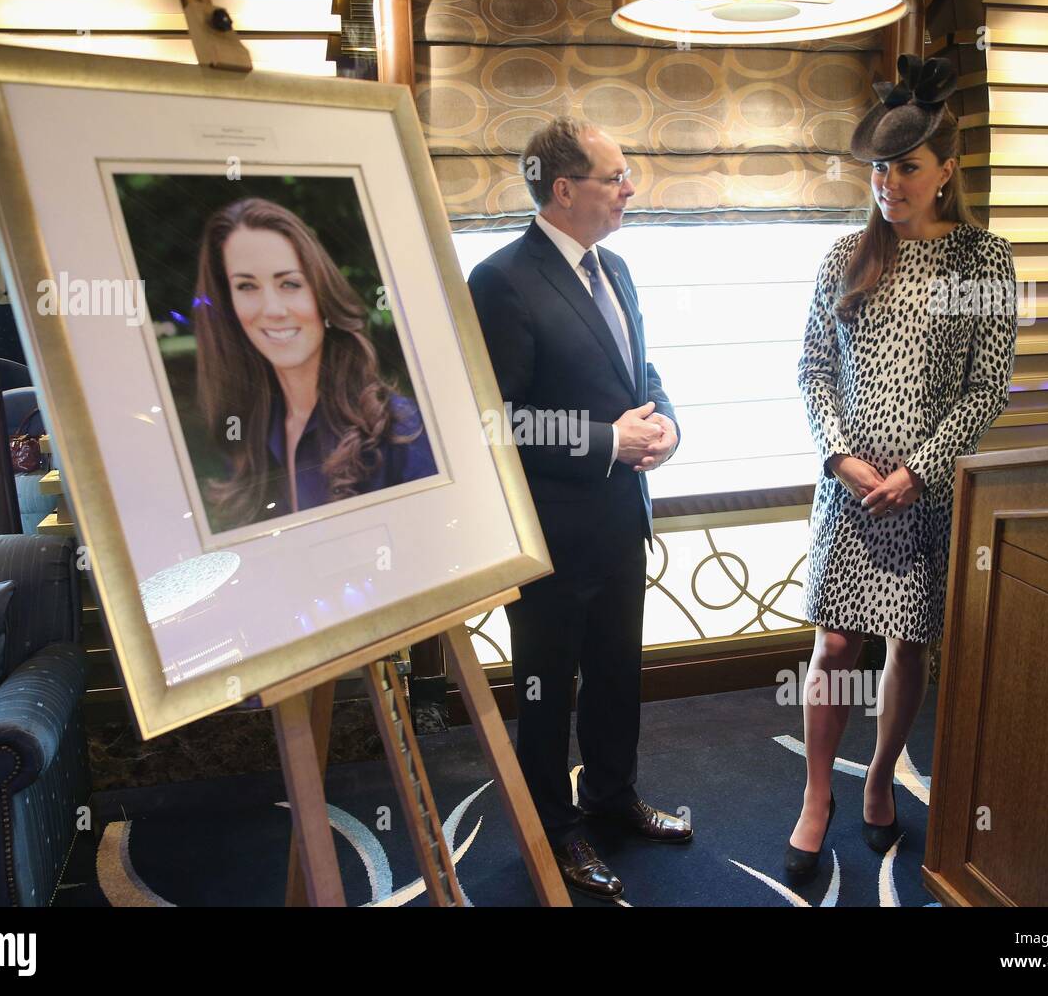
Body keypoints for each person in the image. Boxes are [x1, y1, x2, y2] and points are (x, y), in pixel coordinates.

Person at [789, 55, 1018, 879]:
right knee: (835, 642)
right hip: (848, 492)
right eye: (880, 168)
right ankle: (817, 795)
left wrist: (919, 469)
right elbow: (813, 368)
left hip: (925, 494)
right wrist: (840, 455)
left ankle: (881, 776)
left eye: (908, 167)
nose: (889, 183)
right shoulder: (846, 254)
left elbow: (987, 385)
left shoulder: (984, 263)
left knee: (907, 643)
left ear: (947, 170)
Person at [467, 117, 690, 900]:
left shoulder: (617, 268)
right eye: (616, 176)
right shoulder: (500, 281)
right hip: (550, 536)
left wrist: (661, 420)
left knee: (616, 677)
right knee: (546, 688)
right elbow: (495, 419)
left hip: (621, 524)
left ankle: (611, 798)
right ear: (564, 189)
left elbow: (639, 368)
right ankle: (553, 833)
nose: (631, 188)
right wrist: (606, 440)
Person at [191, 197, 435, 533]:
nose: (273, 308)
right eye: (246, 286)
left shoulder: (400, 431)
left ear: (322, 292)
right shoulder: (249, 433)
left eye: (289, 283)